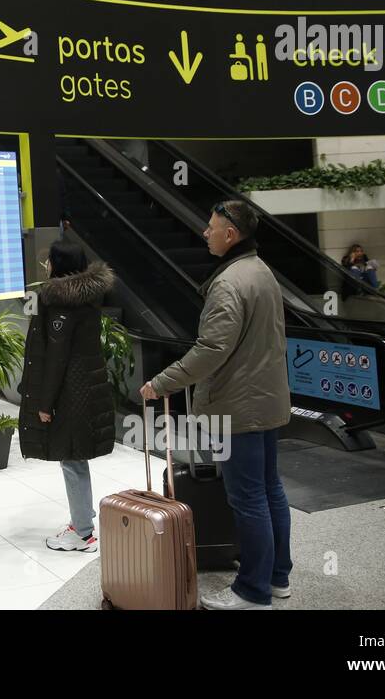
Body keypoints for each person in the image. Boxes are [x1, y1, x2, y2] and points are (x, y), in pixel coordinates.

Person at [138, 200, 292, 609]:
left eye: (211, 227)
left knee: (248, 497)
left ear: (231, 234)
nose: (204, 233)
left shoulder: (229, 283)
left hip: (239, 405)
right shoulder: (261, 272)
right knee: (270, 490)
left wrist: (162, 382)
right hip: (266, 398)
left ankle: (252, 591)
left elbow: (211, 349)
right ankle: (277, 577)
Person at [18, 240, 116, 553]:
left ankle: (83, 534)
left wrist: (45, 405)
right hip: (84, 389)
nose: (45, 265)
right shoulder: (86, 298)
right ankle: (81, 519)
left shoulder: (60, 303)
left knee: (72, 460)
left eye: (49, 261)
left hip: (71, 394)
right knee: (76, 458)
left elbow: (56, 358)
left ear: (58, 266)